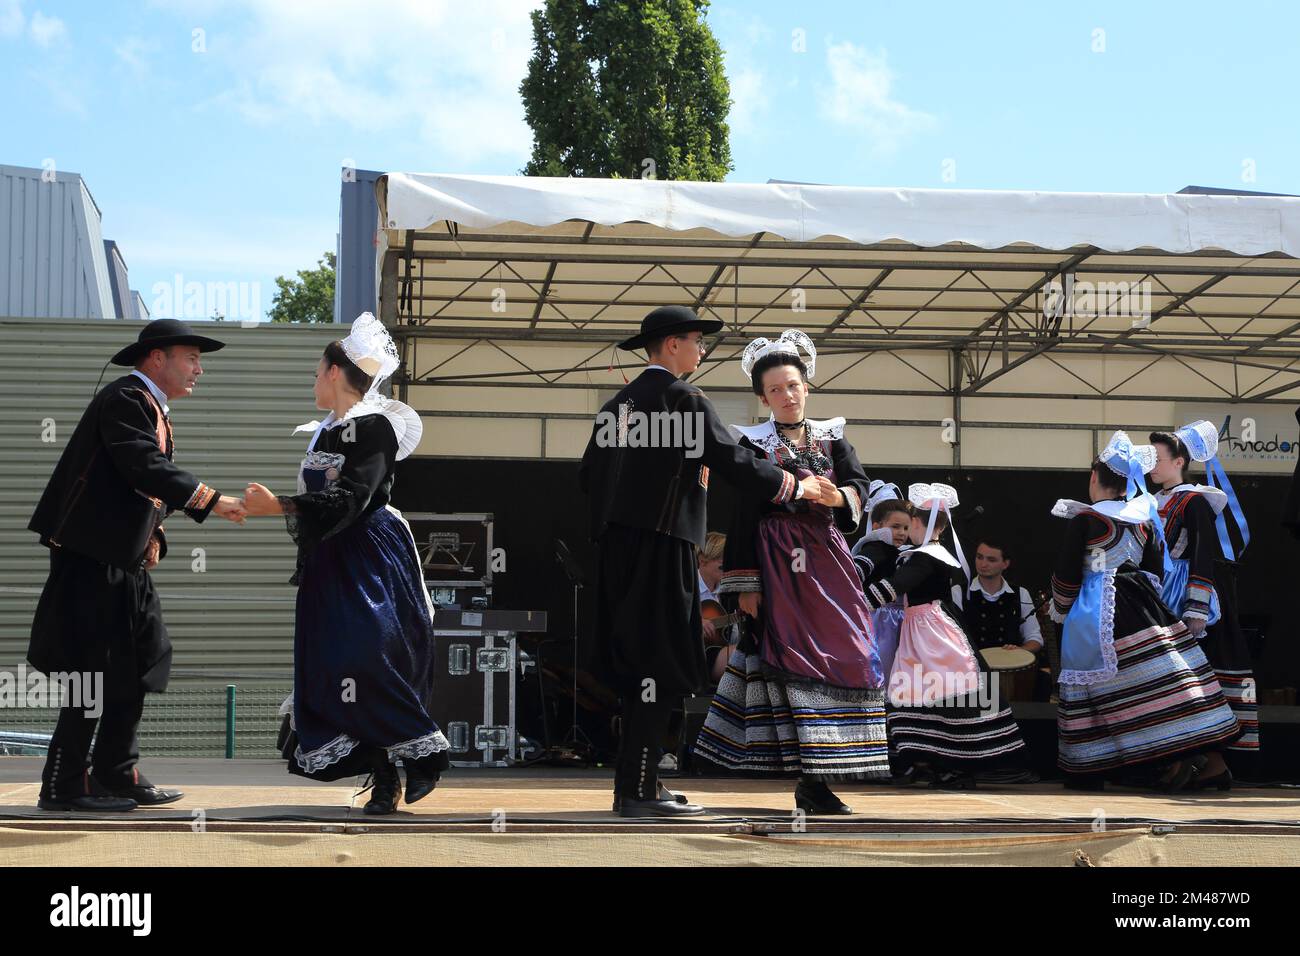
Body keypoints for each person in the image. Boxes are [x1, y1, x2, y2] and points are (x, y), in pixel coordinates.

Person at [579, 310, 826, 818]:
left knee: (638, 667)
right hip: (662, 546)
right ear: (671, 345)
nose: (702, 350)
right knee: (661, 663)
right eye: (696, 341)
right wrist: (795, 485)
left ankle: (637, 785)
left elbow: (588, 478)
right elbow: (732, 459)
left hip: (616, 551)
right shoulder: (684, 399)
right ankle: (639, 792)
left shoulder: (617, 405)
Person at [28, 319, 247, 811]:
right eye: (191, 357)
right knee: (91, 673)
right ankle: (63, 783)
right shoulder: (126, 399)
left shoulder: (149, 406)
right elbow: (143, 466)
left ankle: (115, 771)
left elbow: (145, 483)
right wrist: (214, 500)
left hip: (123, 565)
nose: (199, 370)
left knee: (142, 660)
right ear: (156, 358)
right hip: (91, 562)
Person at [241, 313, 449, 815]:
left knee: (365, 655)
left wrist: (282, 506)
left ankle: (415, 753)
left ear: (336, 372)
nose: (314, 381)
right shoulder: (325, 433)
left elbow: (353, 497)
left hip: (370, 554)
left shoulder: (373, 427)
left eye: (317, 371)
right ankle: (381, 773)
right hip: (329, 558)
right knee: (331, 666)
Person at [693, 331, 888, 813]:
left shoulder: (833, 436)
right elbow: (743, 515)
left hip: (829, 560)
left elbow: (860, 484)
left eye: (793, 385)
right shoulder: (754, 444)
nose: (786, 395)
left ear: (807, 386)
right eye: (775, 389)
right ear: (762, 397)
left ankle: (824, 772)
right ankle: (810, 780)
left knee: (848, 649)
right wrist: (746, 585)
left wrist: (838, 496)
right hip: (778, 562)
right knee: (792, 659)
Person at [1050, 431, 1241, 791]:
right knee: (1160, 682)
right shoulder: (1143, 517)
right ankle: (1192, 760)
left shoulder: (1086, 520)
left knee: (1103, 690)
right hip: (1147, 606)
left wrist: (1060, 609)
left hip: (1097, 613)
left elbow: (1066, 575)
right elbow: (1156, 568)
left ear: (1094, 478)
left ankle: (1096, 766)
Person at [861, 484, 1028, 789]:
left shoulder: (927, 556)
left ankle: (952, 763)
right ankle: (930, 761)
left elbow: (898, 585)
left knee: (943, 690)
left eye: (910, 524)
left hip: (933, 631)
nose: (906, 530)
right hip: (922, 628)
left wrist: (856, 601)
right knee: (922, 690)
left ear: (926, 525)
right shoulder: (923, 554)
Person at [1150, 422, 1256, 785]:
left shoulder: (1193, 501)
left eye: (1158, 458)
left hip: (1186, 600)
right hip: (1164, 596)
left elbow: (1203, 554)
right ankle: (1189, 758)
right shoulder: (1156, 501)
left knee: (1195, 679)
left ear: (1179, 461)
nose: (1152, 464)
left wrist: (1197, 608)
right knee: (1175, 681)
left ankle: (1208, 761)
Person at [851, 485, 911, 679]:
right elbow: (855, 573)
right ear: (876, 526)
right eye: (895, 527)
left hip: (899, 618)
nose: (902, 533)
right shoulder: (876, 548)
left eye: (906, 528)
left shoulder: (900, 552)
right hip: (881, 620)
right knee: (882, 666)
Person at [959, 537, 1043, 655]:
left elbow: (1034, 638)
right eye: (979, 557)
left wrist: (1020, 651)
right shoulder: (958, 592)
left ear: (1005, 564)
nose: (983, 564)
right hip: (973, 669)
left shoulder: (1021, 594)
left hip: (1011, 669)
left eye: (991, 560)